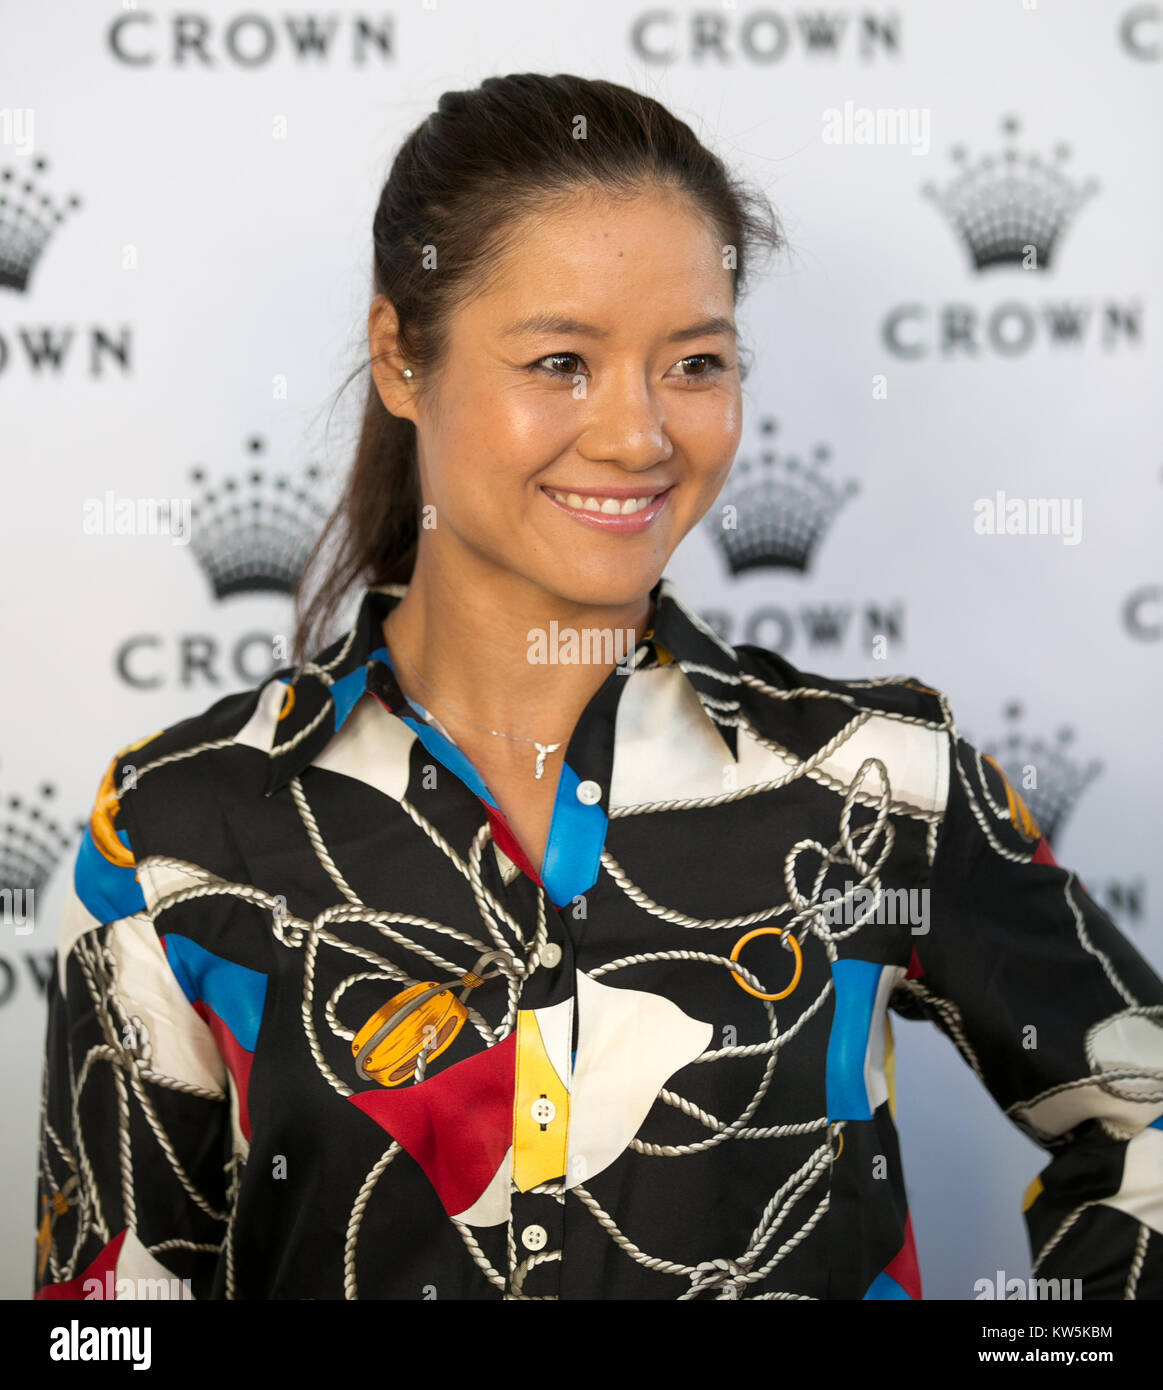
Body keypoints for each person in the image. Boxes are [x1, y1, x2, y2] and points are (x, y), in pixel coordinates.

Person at [34, 72, 1163, 1302]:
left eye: (693, 363)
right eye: (562, 361)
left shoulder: (877, 779)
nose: (637, 434)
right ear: (399, 359)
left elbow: (1142, 1119)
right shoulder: (176, 828)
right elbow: (104, 1312)